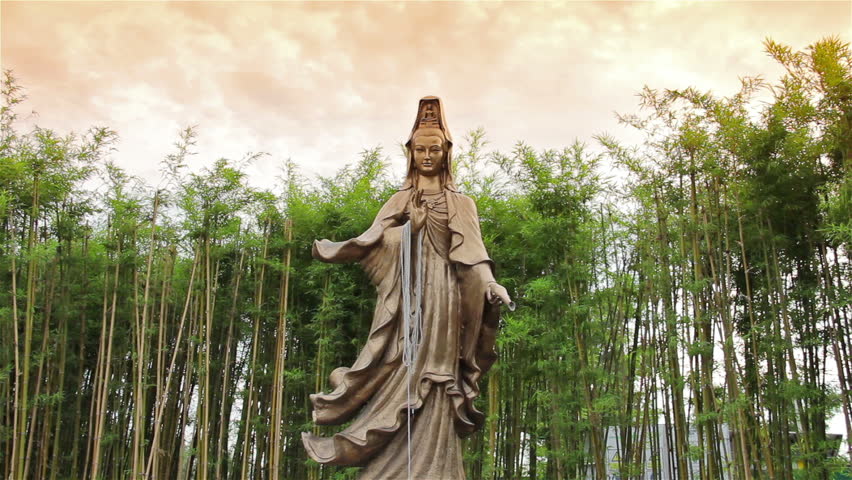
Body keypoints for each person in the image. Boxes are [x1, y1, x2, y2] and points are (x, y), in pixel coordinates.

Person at [302, 96, 512, 479]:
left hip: (446, 297)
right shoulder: (399, 200)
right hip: (408, 302)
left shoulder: (462, 203)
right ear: (410, 153)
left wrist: (491, 285)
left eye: (434, 149)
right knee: (402, 368)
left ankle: (439, 467)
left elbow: (474, 256)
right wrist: (410, 228)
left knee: (438, 378)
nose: (427, 156)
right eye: (420, 149)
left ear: (446, 153)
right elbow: (371, 242)